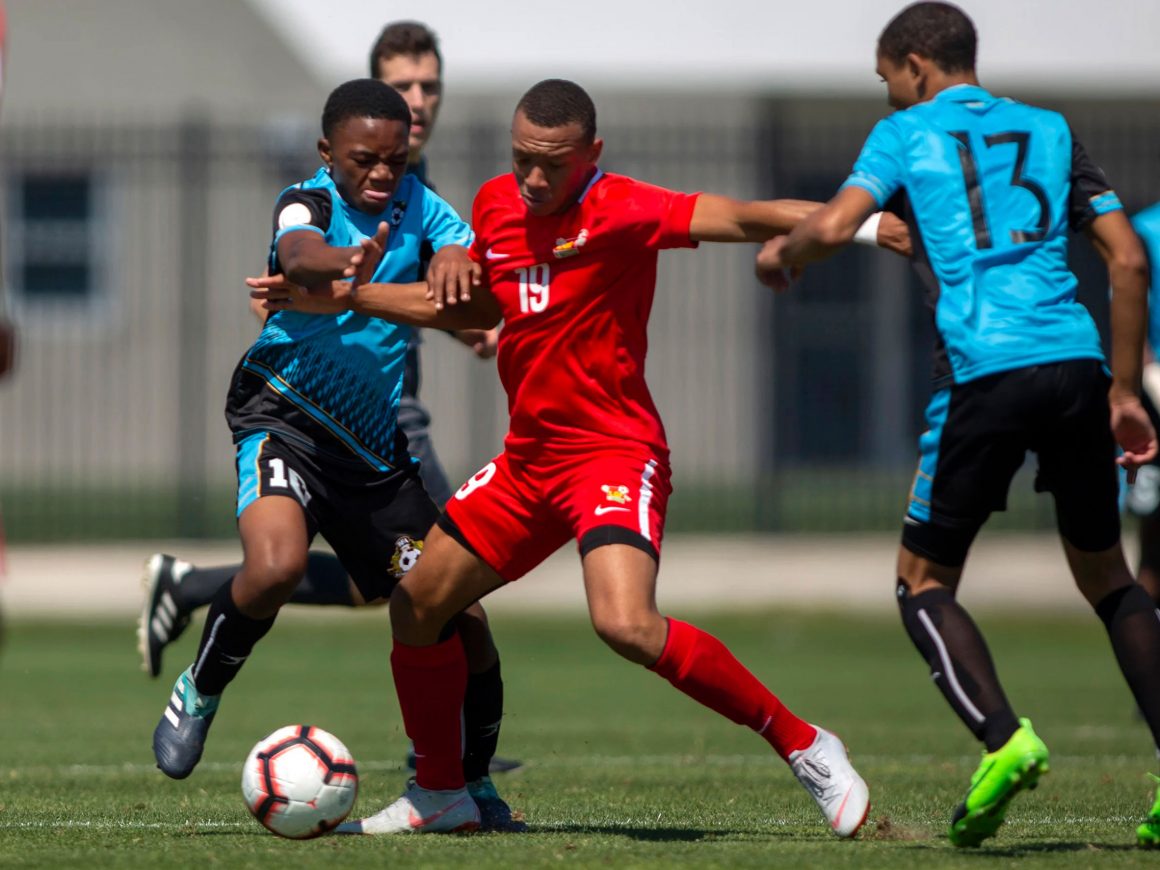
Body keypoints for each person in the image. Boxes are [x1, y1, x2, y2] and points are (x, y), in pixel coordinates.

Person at [251, 78, 911, 838]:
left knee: (626, 625)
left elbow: (743, 214)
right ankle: (441, 793)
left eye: (554, 164)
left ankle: (805, 744)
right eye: (522, 159)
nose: (534, 179)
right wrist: (352, 297)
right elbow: (481, 307)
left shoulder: (624, 207)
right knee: (418, 604)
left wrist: (865, 225)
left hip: (613, 453)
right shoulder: (495, 204)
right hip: (529, 462)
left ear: (591, 153)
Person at [753, 1, 1160, 849]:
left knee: (922, 582)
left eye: (886, 80)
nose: (887, 95)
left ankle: (1004, 738)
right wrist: (1124, 392)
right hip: (1076, 364)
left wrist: (782, 256)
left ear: (915, 66)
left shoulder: (905, 133)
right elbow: (1127, 258)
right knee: (1109, 576)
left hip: (982, 372)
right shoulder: (1051, 129)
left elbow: (834, 223)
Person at [137, 22, 515, 773]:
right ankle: (199, 690)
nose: (381, 174)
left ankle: (465, 786)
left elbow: (467, 264)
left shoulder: (422, 203)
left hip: (373, 452)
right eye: (363, 160)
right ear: (327, 153)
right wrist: (347, 261)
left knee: (461, 615)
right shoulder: (304, 200)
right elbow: (298, 253)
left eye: (394, 161)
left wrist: (451, 258)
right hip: (284, 415)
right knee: (276, 566)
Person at [1125, 201, 1160, 611]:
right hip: (1155, 398)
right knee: (1153, 529)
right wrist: (1147, 373)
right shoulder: (1145, 228)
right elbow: (1128, 305)